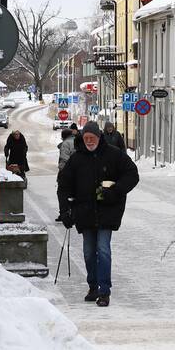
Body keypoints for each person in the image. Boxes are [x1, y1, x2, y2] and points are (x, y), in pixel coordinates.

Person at [56, 120, 140, 307]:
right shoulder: (76, 159)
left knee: (102, 250)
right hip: (85, 212)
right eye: (86, 138)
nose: (89, 141)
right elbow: (63, 186)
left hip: (107, 211)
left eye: (92, 137)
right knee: (88, 252)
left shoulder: (114, 154)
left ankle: (104, 290)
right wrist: (65, 211)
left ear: (99, 137)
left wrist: (115, 191)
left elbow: (132, 174)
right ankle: (92, 285)